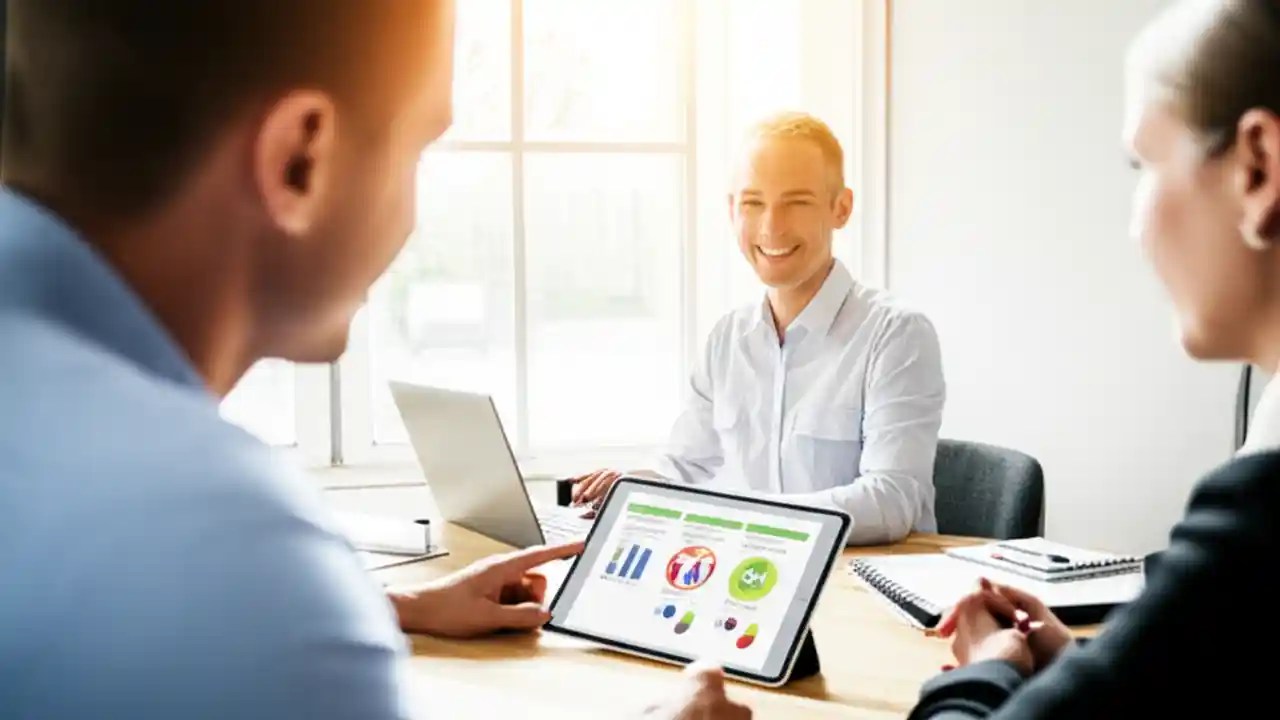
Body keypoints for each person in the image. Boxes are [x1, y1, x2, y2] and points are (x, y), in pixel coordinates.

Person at [0, 2, 748, 718]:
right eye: (419, 146)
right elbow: (224, 610)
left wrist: (396, 606)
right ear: (301, 159)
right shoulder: (224, 553)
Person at [909, 0, 1280, 716]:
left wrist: (984, 672)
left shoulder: (1264, 509)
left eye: (1144, 163)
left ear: (1259, 168)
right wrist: (1085, 669)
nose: (1135, 225)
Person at [573, 112, 947, 545]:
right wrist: (629, 486)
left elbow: (891, 501)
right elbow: (686, 468)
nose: (771, 226)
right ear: (732, 209)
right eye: (753, 203)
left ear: (840, 208)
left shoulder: (897, 335)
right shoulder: (726, 339)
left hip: (864, 585)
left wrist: (747, 516)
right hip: (755, 581)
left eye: (797, 202)